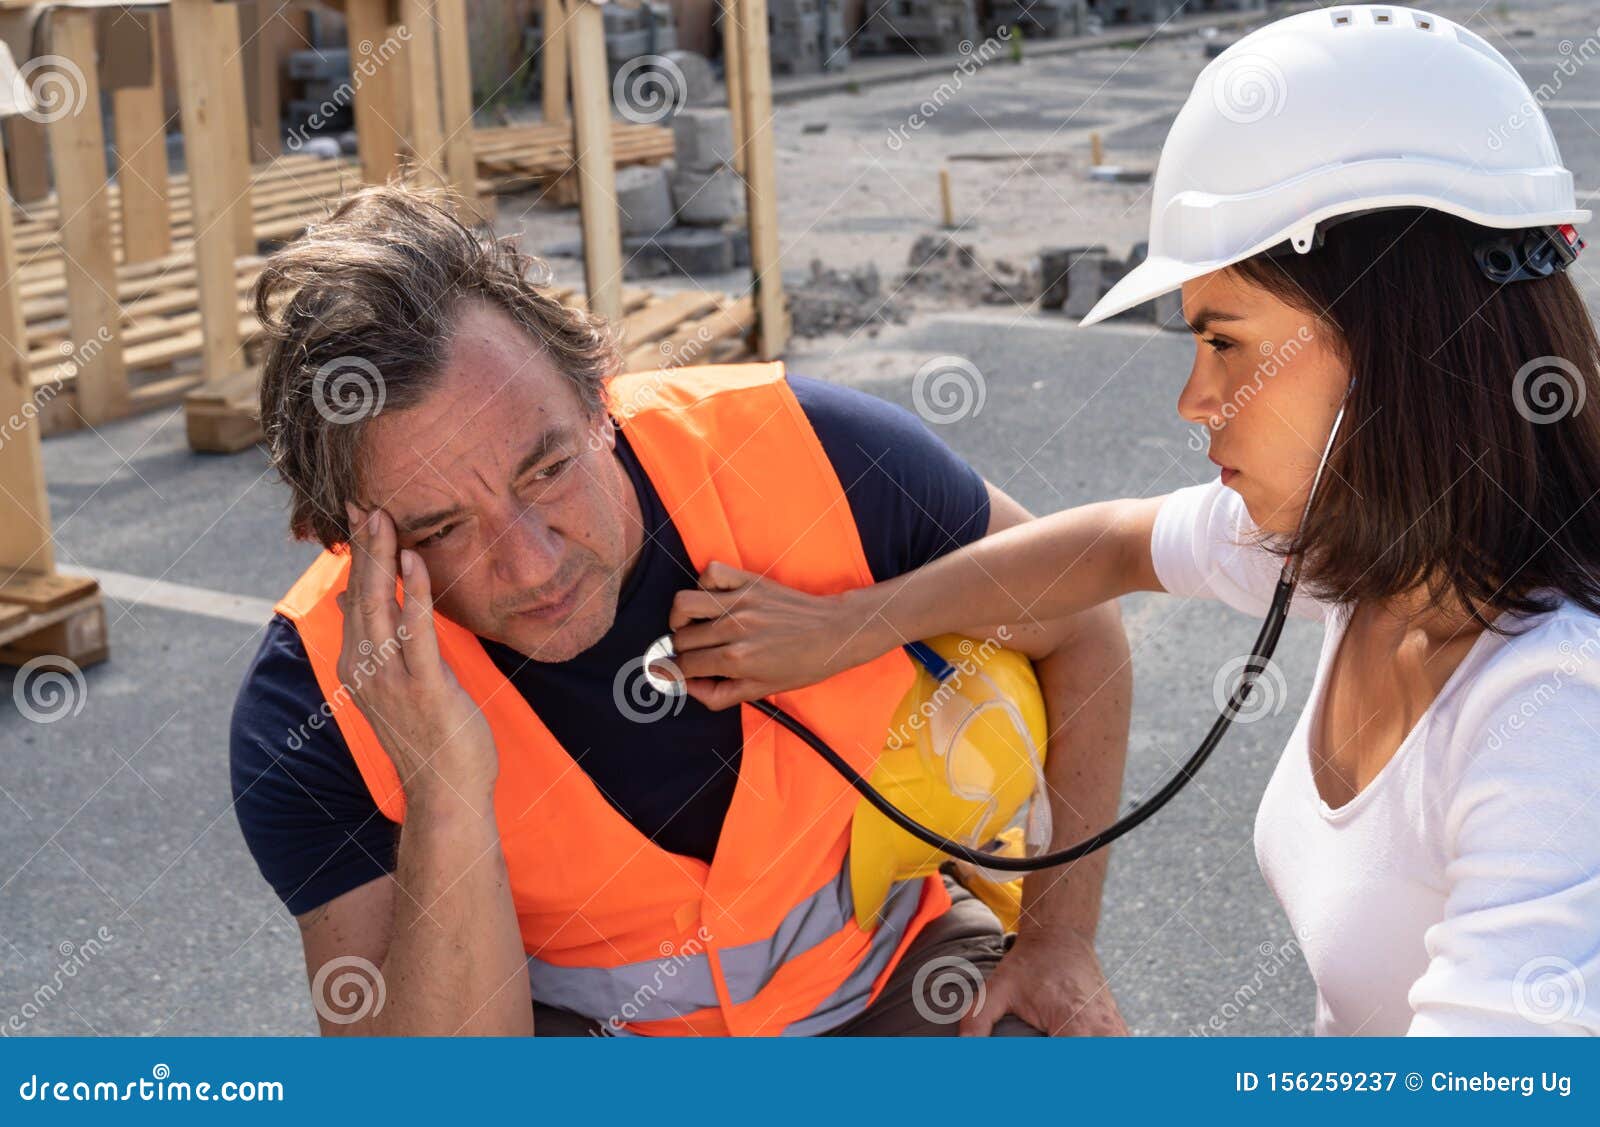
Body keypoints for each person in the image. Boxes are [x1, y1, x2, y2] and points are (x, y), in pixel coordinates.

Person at [666, 7, 1600, 1035]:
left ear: (1397, 345)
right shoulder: (1374, 550)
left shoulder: (1553, 709)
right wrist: (844, 627)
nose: (1194, 399)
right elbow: (1109, 543)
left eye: (1228, 342)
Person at [229, 184, 1134, 1036]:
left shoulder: (807, 453)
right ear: (340, 538)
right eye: (443, 528)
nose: (533, 562)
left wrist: (1062, 940)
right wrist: (445, 791)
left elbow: (1081, 622)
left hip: (891, 980)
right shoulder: (308, 705)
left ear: (598, 395)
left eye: (547, 469)